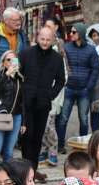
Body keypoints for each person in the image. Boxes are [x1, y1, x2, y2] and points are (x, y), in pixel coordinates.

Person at [19, 27, 65, 172]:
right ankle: (26, 168)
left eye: (48, 40)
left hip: (43, 103)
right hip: (26, 102)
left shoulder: (57, 58)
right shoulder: (26, 53)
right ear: (38, 38)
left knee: (38, 137)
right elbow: (18, 74)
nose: (45, 42)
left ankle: (33, 169)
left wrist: (50, 95)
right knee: (27, 136)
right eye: (42, 39)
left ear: (53, 40)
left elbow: (61, 80)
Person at [57, 23, 99, 154]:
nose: (71, 34)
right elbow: (61, 65)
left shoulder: (91, 50)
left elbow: (95, 69)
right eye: (71, 32)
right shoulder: (66, 48)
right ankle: (60, 145)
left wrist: (89, 87)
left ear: (80, 34)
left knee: (84, 119)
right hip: (68, 88)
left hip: (84, 90)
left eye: (74, 32)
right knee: (63, 118)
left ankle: (83, 145)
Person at [0, 50, 23, 170]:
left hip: (16, 116)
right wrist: (7, 75)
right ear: (3, 62)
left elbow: (23, 101)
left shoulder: (19, 78)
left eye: (14, 60)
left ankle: (6, 177)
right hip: (0, 116)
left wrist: (24, 122)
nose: (11, 62)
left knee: (9, 152)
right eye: (8, 60)